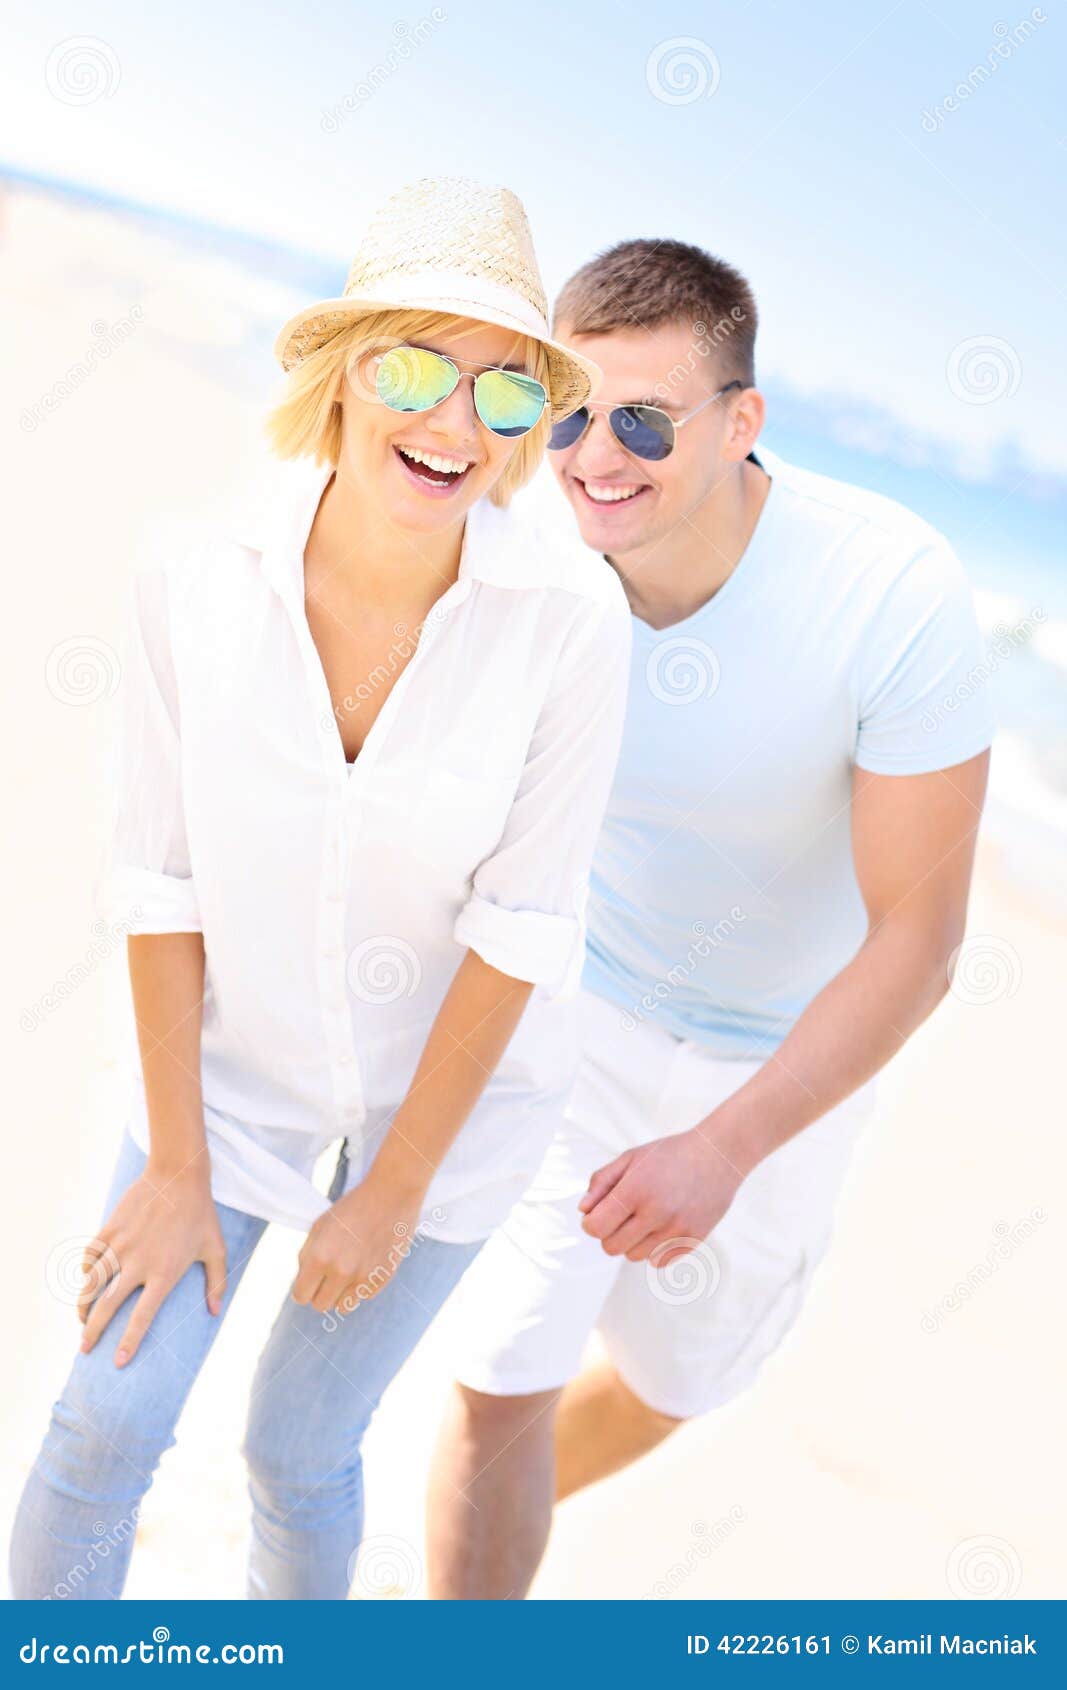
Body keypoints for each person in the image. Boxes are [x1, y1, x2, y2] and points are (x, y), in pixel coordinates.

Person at [9, 178, 631, 1600]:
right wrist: (176, 1166)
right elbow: (158, 882)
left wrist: (395, 1191)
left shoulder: (573, 626)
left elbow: (522, 924)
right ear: (345, 375)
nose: (455, 426)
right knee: (104, 1421)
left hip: (458, 1116)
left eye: (507, 394)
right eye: (415, 367)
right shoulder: (194, 577)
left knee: (299, 1448)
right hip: (226, 1081)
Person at [428, 237, 994, 1598]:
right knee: (498, 1380)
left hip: (784, 1063)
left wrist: (725, 1145)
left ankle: (491, 1518)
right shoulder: (524, 559)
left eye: (642, 419)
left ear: (742, 423)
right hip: (582, 1005)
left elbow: (919, 941)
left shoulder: (890, 592)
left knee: (676, 1383)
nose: (595, 455)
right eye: (569, 412)